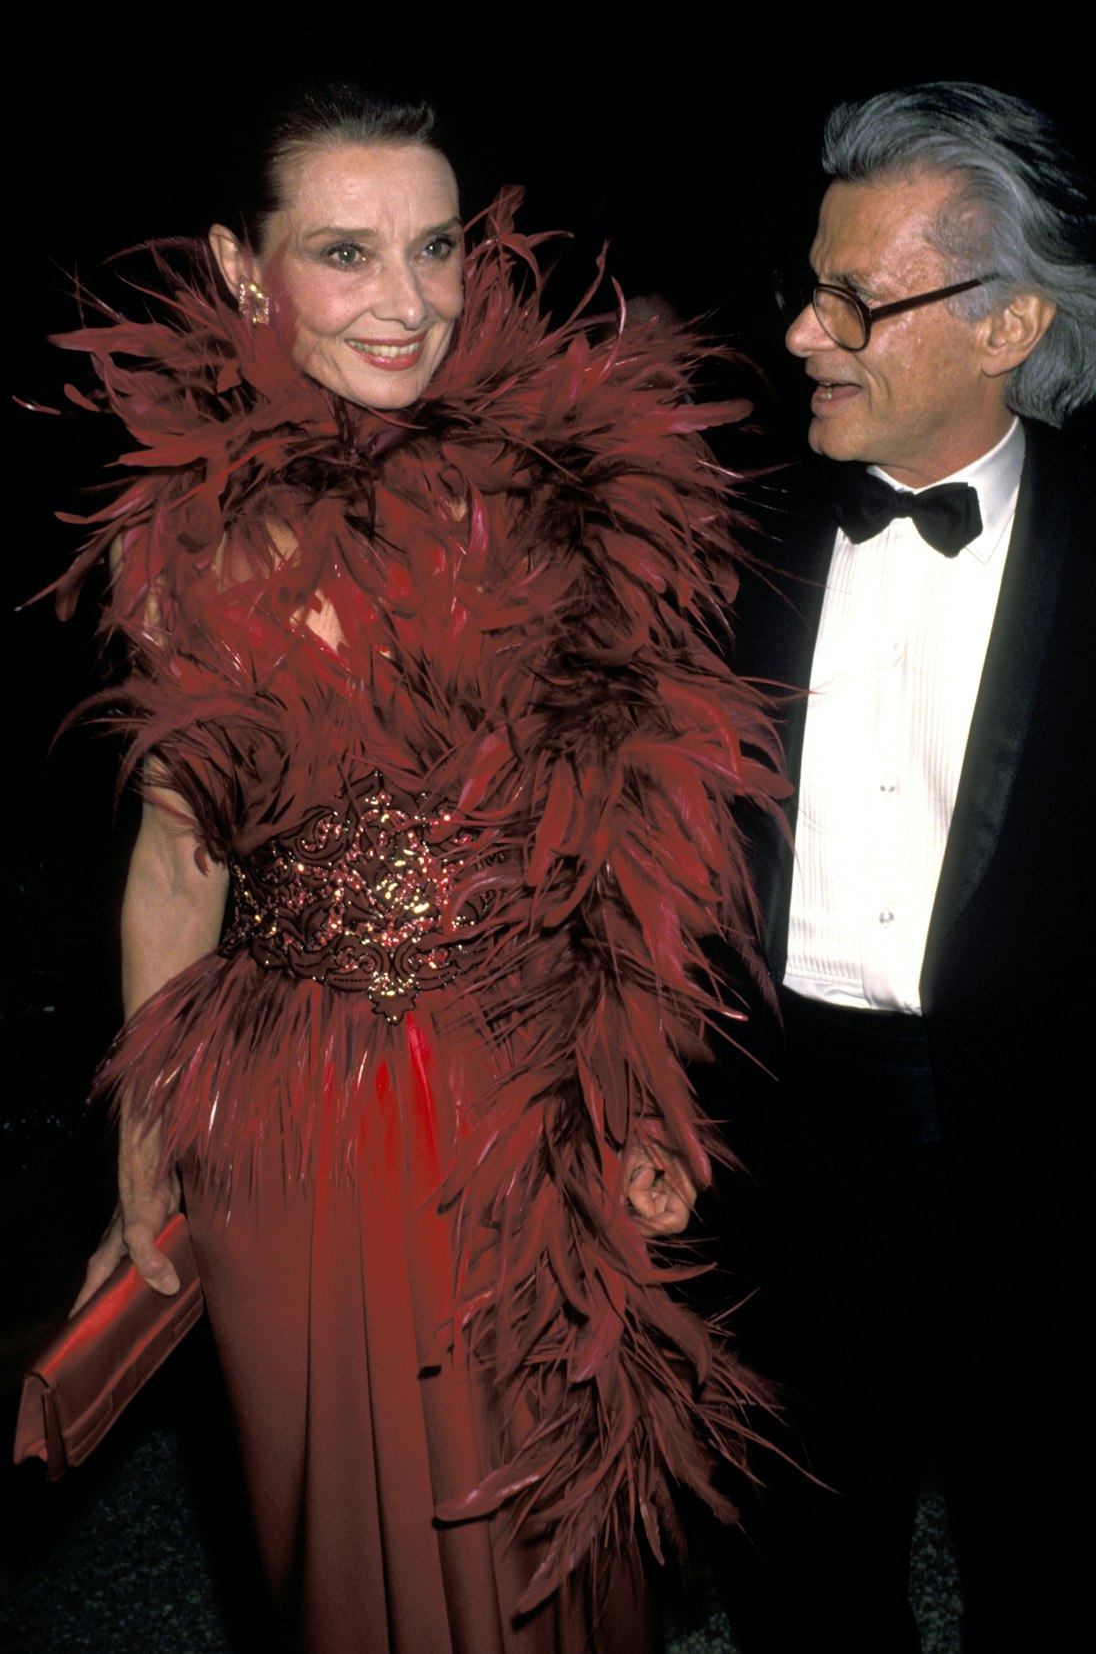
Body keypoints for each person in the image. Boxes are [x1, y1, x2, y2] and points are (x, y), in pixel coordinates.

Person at [56, 84, 782, 1654]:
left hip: (519, 1092)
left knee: (550, 1531)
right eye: (346, 251)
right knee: (336, 1544)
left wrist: (639, 1099)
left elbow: (634, 837)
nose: (408, 301)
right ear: (242, 270)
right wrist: (139, 1165)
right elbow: (176, 865)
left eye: (436, 245)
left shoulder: (563, 494)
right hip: (292, 1112)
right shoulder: (178, 538)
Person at [719, 82, 1096, 1653]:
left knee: (1047, 1587)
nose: (802, 331)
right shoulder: (716, 543)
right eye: (807, 284)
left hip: (1056, 1179)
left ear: (1009, 330)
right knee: (801, 1591)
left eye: (858, 297)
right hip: (785, 1162)